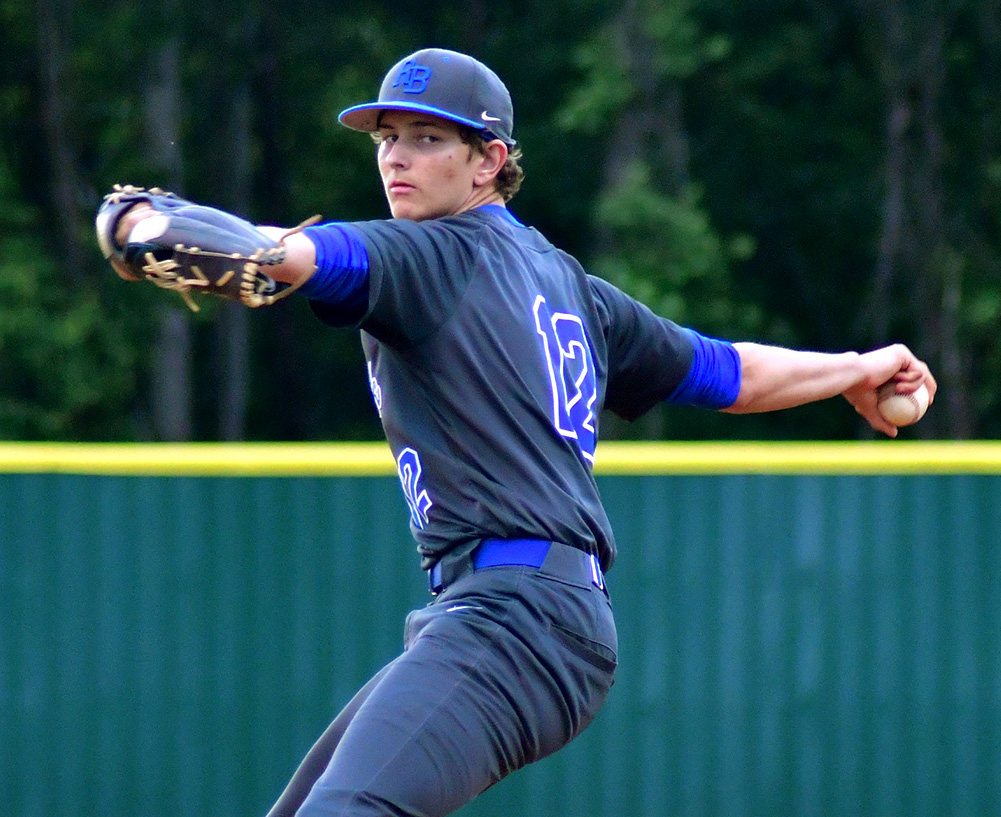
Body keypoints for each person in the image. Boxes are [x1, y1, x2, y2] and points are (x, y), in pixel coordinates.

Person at [110, 48, 936, 817]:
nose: (394, 156)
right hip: (515, 613)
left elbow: (285, 258)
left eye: (426, 138)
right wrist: (855, 369)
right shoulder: (565, 279)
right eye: (387, 138)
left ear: (489, 160)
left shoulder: (426, 256)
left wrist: (155, 222)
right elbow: (729, 374)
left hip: (518, 617)